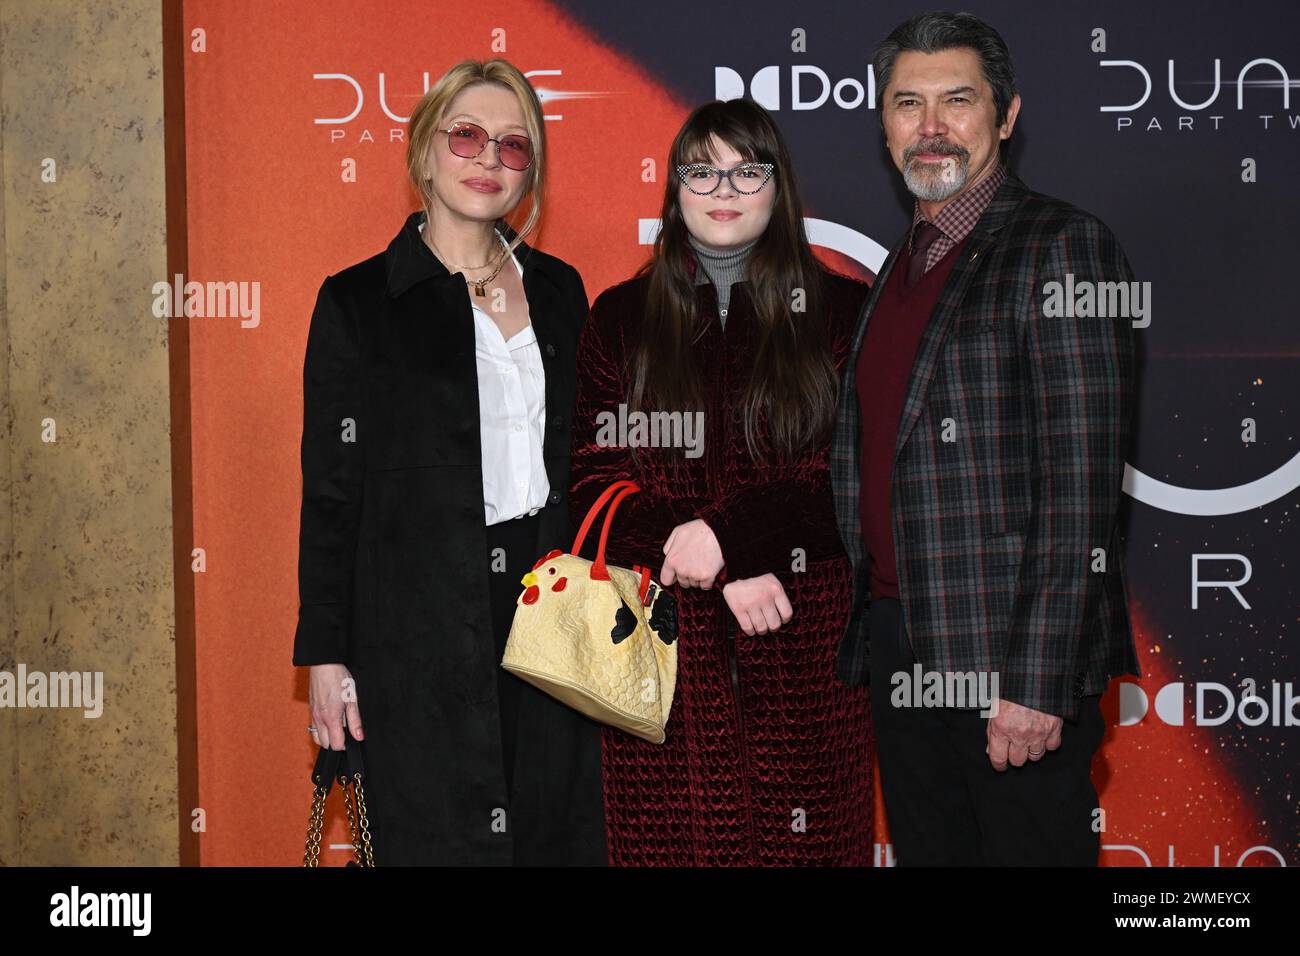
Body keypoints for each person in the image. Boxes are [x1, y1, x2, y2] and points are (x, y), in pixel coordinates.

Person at [830, 11, 1140, 865]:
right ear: (884, 123)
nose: (930, 127)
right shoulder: (906, 261)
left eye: (957, 101)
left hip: (1007, 666)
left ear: (1005, 117)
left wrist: (1035, 683)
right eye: (907, 103)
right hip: (902, 643)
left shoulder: (1060, 247)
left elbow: (1081, 489)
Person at [293, 58, 605, 865]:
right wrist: (327, 656)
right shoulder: (359, 303)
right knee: (435, 840)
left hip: (554, 607)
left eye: (513, 146)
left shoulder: (564, 291)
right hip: (415, 624)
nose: (488, 160)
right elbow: (331, 492)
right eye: (466, 136)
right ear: (425, 150)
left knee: (555, 835)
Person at [569, 98, 874, 865]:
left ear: (780, 187)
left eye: (747, 170)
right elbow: (595, 481)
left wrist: (728, 537)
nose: (724, 189)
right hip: (657, 653)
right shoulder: (620, 319)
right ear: (674, 191)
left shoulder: (840, 312)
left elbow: (849, 477)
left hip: (806, 651)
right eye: (702, 172)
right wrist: (700, 548)